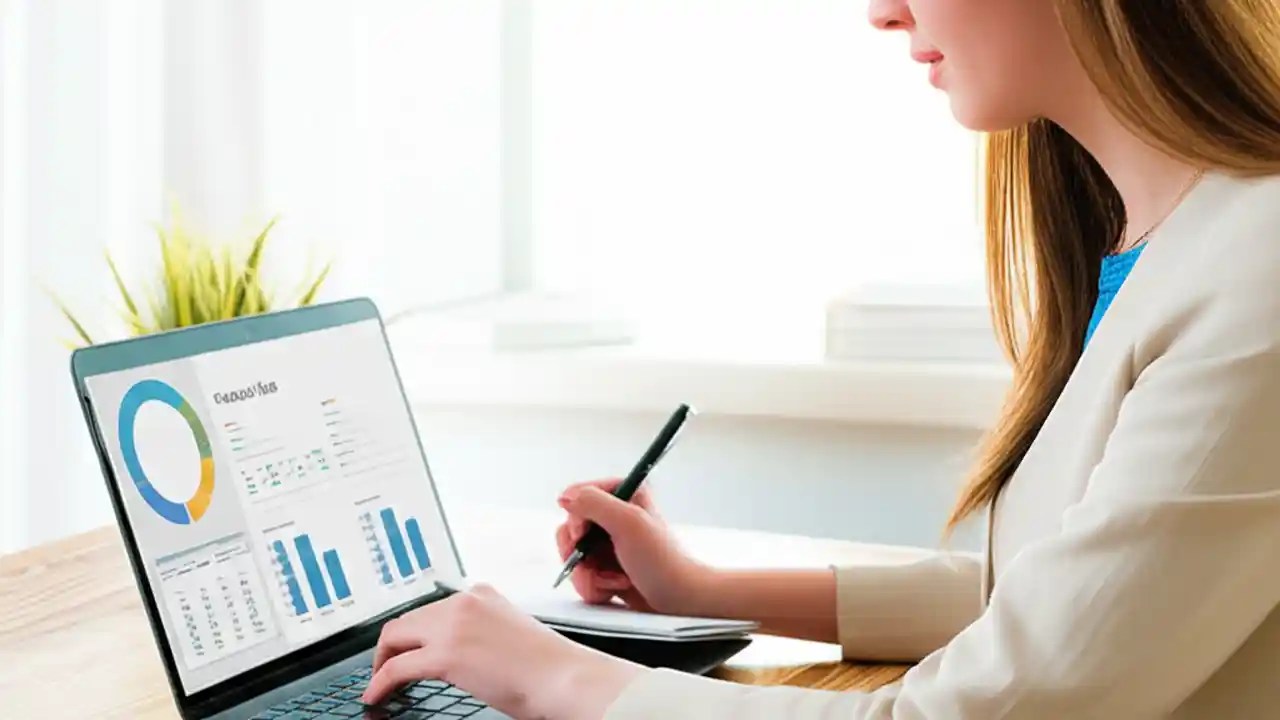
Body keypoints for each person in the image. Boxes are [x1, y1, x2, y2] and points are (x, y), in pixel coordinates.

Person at [363, 1, 1280, 717]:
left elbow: (1004, 704)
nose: (881, 11)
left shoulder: (1255, 268)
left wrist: (550, 678)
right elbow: (1073, 593)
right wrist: (704, 590)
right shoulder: (1164, 243)